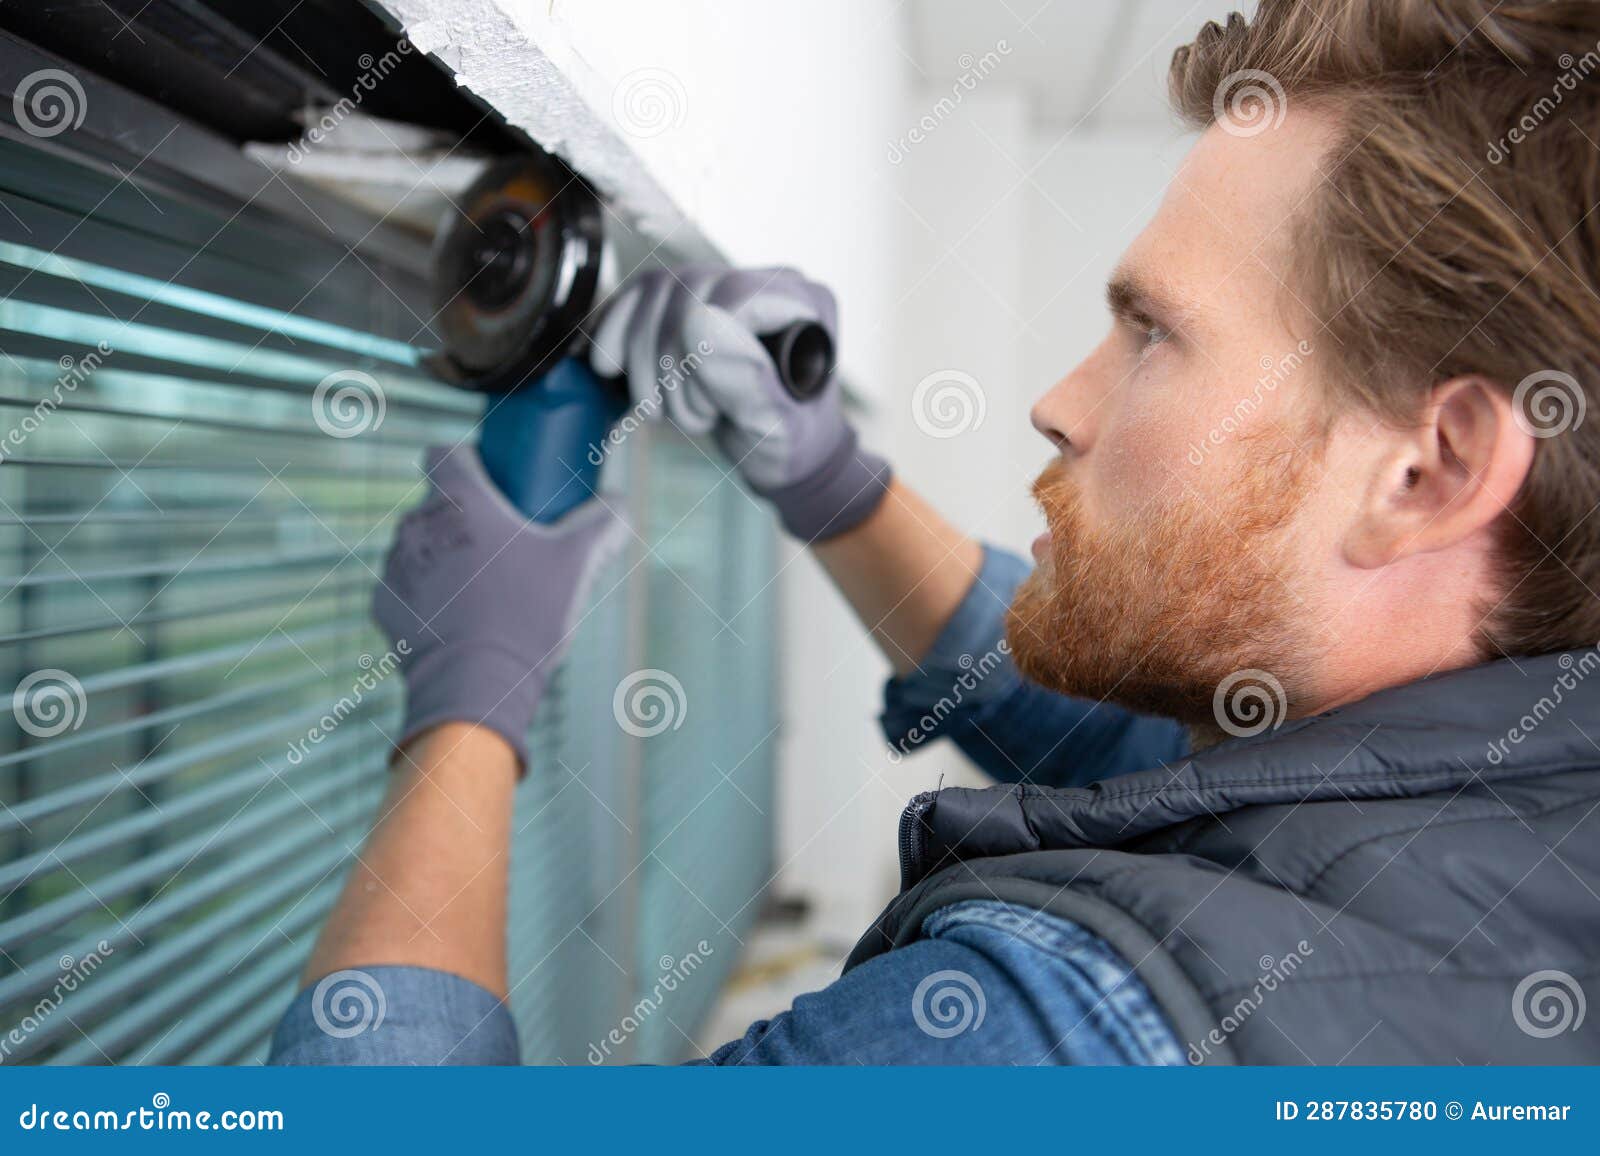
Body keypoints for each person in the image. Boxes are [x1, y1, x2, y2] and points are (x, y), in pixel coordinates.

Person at [271, 0, 1600, 1065]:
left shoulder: (1052, 1048)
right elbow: (1115, 742)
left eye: (1151, 335)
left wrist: (465, 700)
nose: (1057, 402)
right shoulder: (1511, 796)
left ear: (1429, 470)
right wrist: (828, 484)